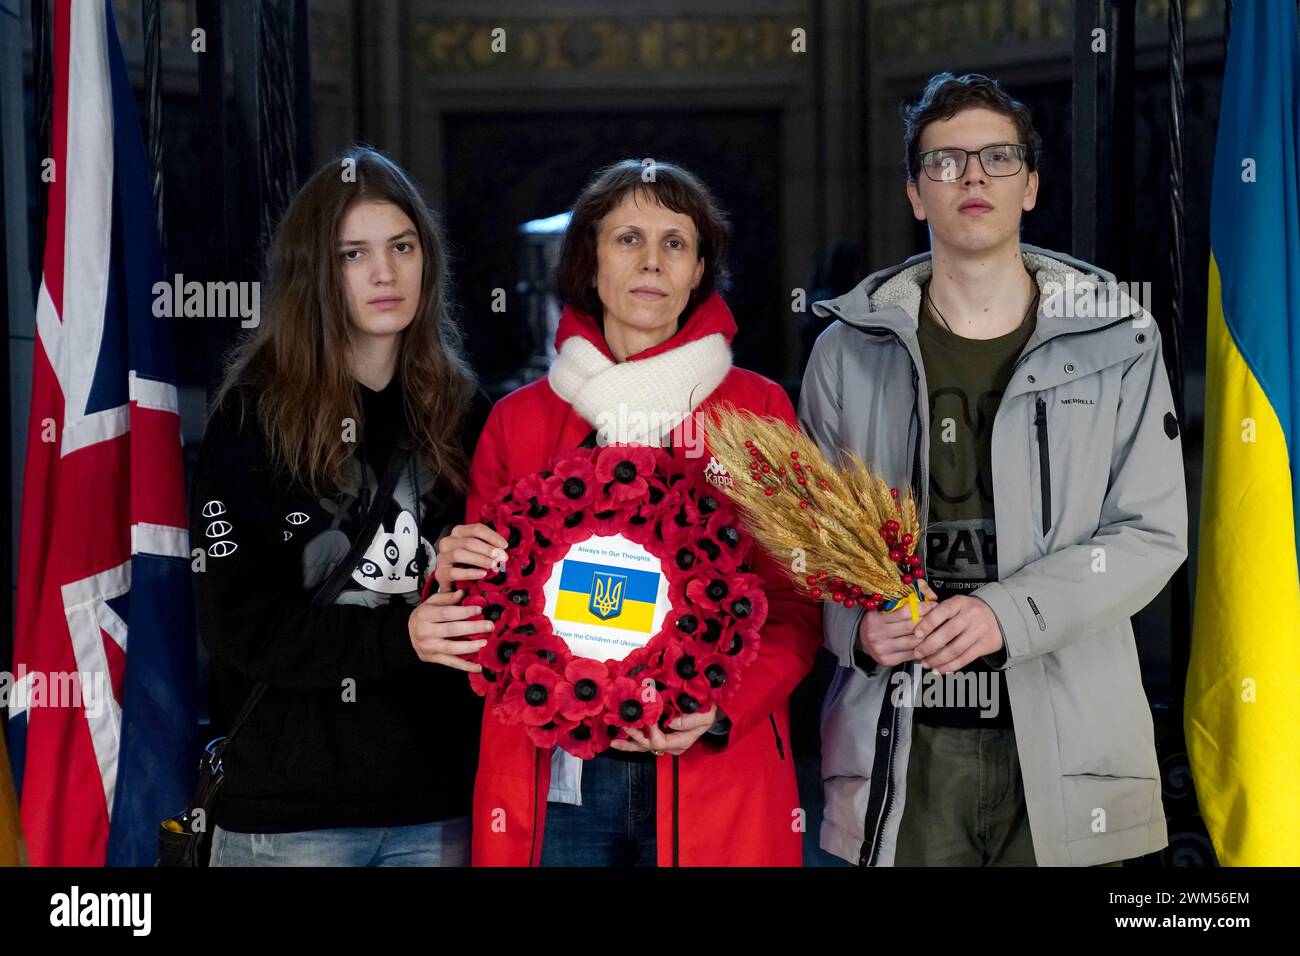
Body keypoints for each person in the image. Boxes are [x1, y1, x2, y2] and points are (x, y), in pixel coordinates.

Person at [800, 73, 1187, 867]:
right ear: (915, 194)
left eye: (997, 158)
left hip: (1066, 736)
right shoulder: (848, 349)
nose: (972, 177)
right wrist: (858, 629)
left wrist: (1007, 616)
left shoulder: (1115, 336)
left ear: (1032, 185)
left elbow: (1151, 534)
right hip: (903, 750)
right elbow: (802, 547)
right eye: (945, 163)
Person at [434, 159, 822, 866]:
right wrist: (444, 591)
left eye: (676, 242)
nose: (652, 261)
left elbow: (796, 602)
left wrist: (723, 707)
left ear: (701, 269)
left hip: (710, 766)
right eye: (627, 239)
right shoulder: (517, 422)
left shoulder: (757, 409)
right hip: (556, 778)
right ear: (588, 261)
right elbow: (476, 596)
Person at [190, 146, 492, 866]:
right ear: (315, 274)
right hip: (291, 815)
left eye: (402, 246)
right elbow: (240, 626)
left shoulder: (462, 412)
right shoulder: (252, 416)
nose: (385, 273)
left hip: (439, 806)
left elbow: (506, 604)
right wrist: (402, 637)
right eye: (353, 254)